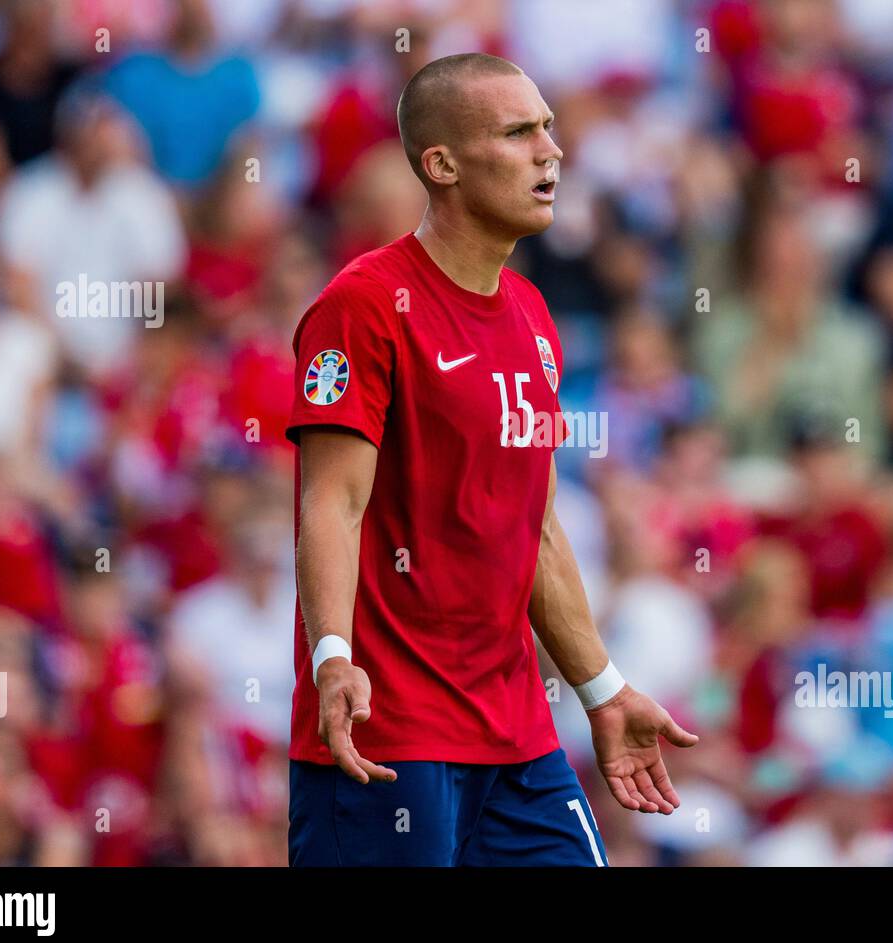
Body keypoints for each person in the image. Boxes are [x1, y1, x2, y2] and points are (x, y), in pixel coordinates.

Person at [285, 53, 697, 868]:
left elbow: (536, 528)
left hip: (516, 735)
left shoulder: (535, 316)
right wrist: (333, 658)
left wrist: (603, 692)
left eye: (547, 126)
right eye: (519, 132)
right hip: (388, 730)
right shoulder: (362, 305)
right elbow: (331, 504)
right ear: (441, 164)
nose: (552, 150)